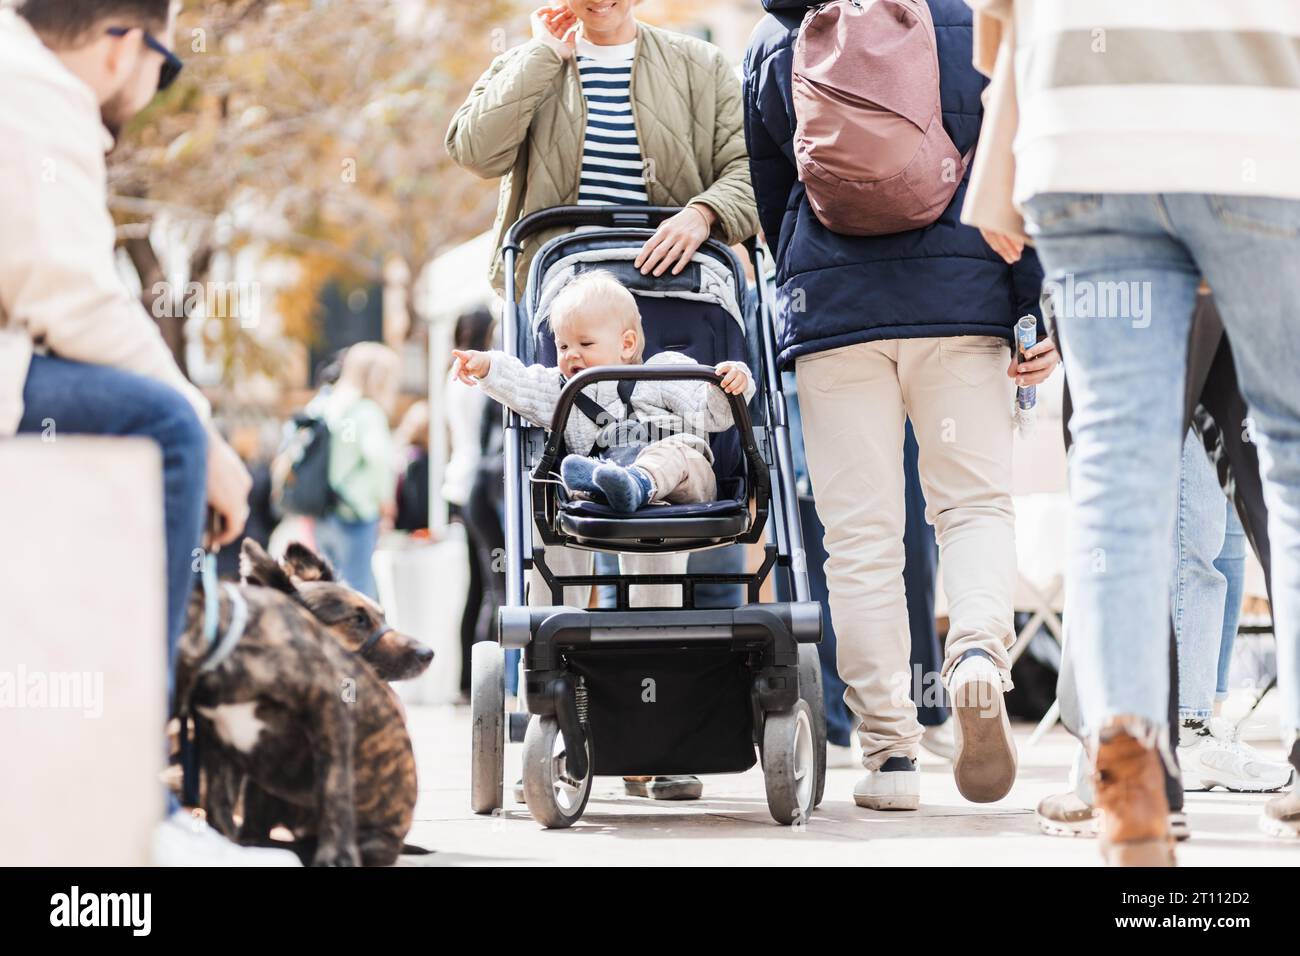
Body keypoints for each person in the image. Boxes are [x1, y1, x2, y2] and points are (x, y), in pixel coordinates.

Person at [964, 0, 1300, 861]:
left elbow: (993, 27)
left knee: (1117, 455)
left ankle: (1130, 772)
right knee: (1291, 451)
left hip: (1083, 130)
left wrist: (1007, 148)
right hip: (1256, 117)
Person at [0, 0, 299, 865]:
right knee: (163, 424)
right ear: (123, 45)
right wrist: (206, 438)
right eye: (164, 67)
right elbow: (76, 302)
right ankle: (136, 795)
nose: (155, 88)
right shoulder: (36, 92)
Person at [744, 0, 1054, 811]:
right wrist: (1029, 305)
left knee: (860, 540)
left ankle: (888, 758)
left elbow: (774, 187)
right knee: (975, 505)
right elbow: (1012, 156)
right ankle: (980, 655)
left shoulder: (778, 32)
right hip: (964, 297)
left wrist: (811, 286)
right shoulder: (967, 17)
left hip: (837, 316)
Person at [445, 0, 758, 297]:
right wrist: (543, 54)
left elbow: (751, 168)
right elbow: (475, 153)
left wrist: (703, 214)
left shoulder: (703, 64)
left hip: (679, 287)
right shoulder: (524, 64)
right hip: (558, 291)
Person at [313, 341, 402, 601]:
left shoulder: (328, 405)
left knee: (331, 594)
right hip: (357, 514)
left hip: (324, 512)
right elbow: (379, 460)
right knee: (358, 597)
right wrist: (387, 503)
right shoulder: (367, 412)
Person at [440, 307, 496, 695]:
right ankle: (479, 680)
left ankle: (466, 681)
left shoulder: (451, 377)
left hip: (460, 484)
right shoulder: (476, 377)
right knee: (492, 586)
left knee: (476, 587)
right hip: (480, 485)